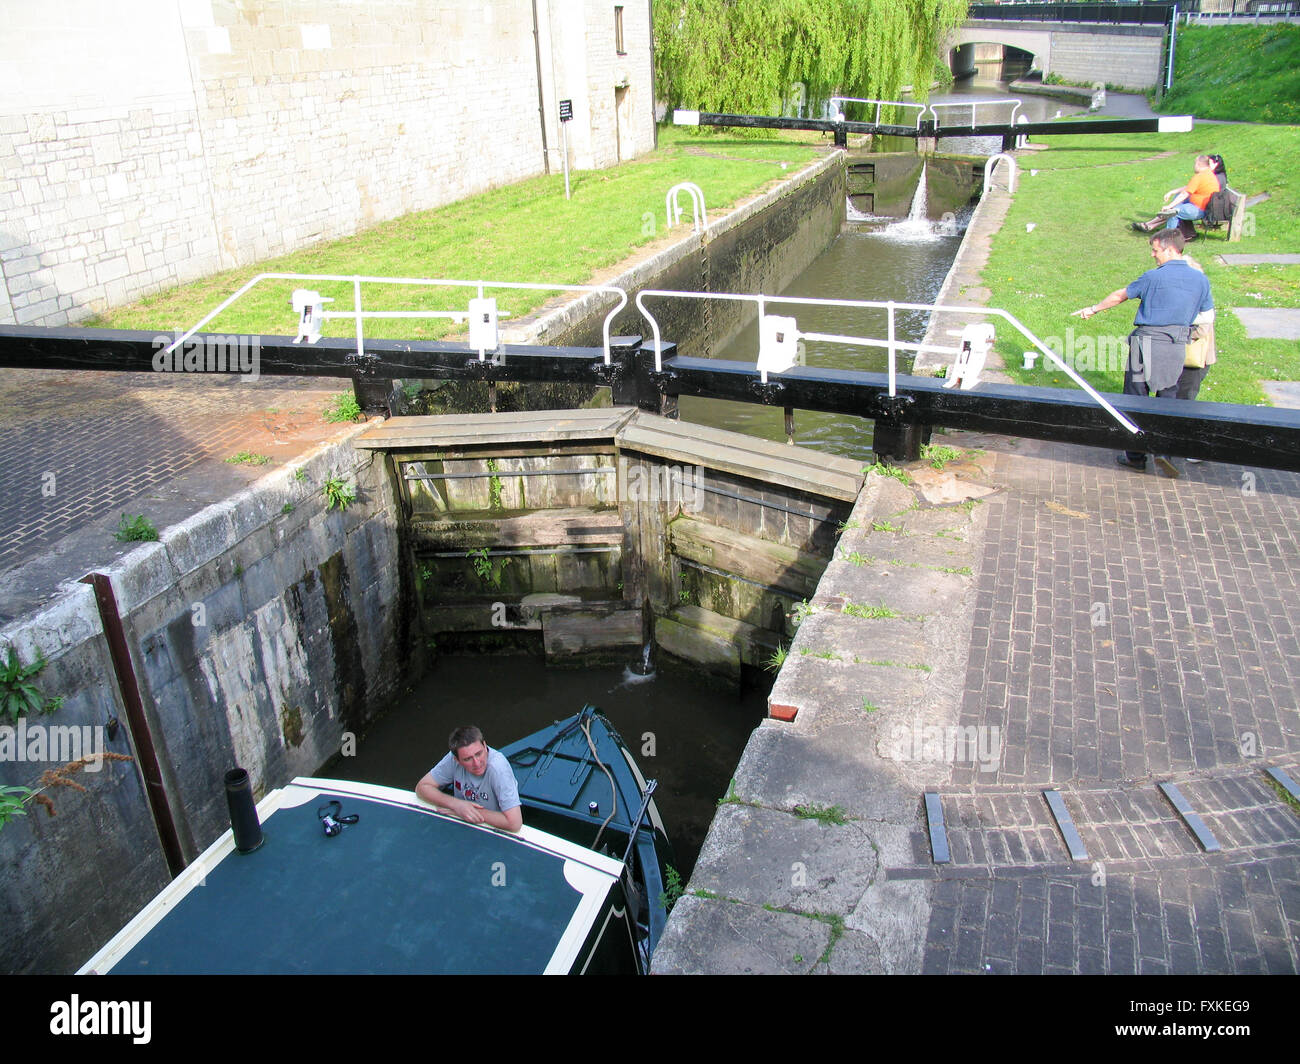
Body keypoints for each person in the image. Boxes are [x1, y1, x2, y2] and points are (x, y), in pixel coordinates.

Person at [1071, 228, 1213, 477]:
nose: (1153, 255)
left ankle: (1135, 456)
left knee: (1135, 396)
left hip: (1146, 342)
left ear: (1170, 249)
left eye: (1155, 250)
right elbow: (1206, 317)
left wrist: (1093, 308)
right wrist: (1184, 334)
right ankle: (1163, 452)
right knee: (1168, 397)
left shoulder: (1153, 277)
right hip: (1176, 345)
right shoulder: (1201, 279)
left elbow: (1120, 296)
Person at [416, 725, 523, 832]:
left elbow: (514, 823)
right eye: (468, 759)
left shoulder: (498, 769)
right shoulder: (452, 760)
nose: (477, 763)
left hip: (491, 828)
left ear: (485, 746)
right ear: (456, 760)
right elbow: (422, 787)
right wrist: (456, 805)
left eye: (479, 754)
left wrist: (466, 811)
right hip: (462, 824)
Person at [1131, 155, 1221, 235]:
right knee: (1176, 199)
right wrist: (1173, 192)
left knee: (1173, 213)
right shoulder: (1209, 174)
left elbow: (1185, 193)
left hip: (1198, 210)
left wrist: (1170, 206)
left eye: (1194, 163)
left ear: (1198, 164)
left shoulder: (1200, 176)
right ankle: (1150, 225)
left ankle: (1168, 237)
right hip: (1203, 207)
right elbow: (1189, 187)